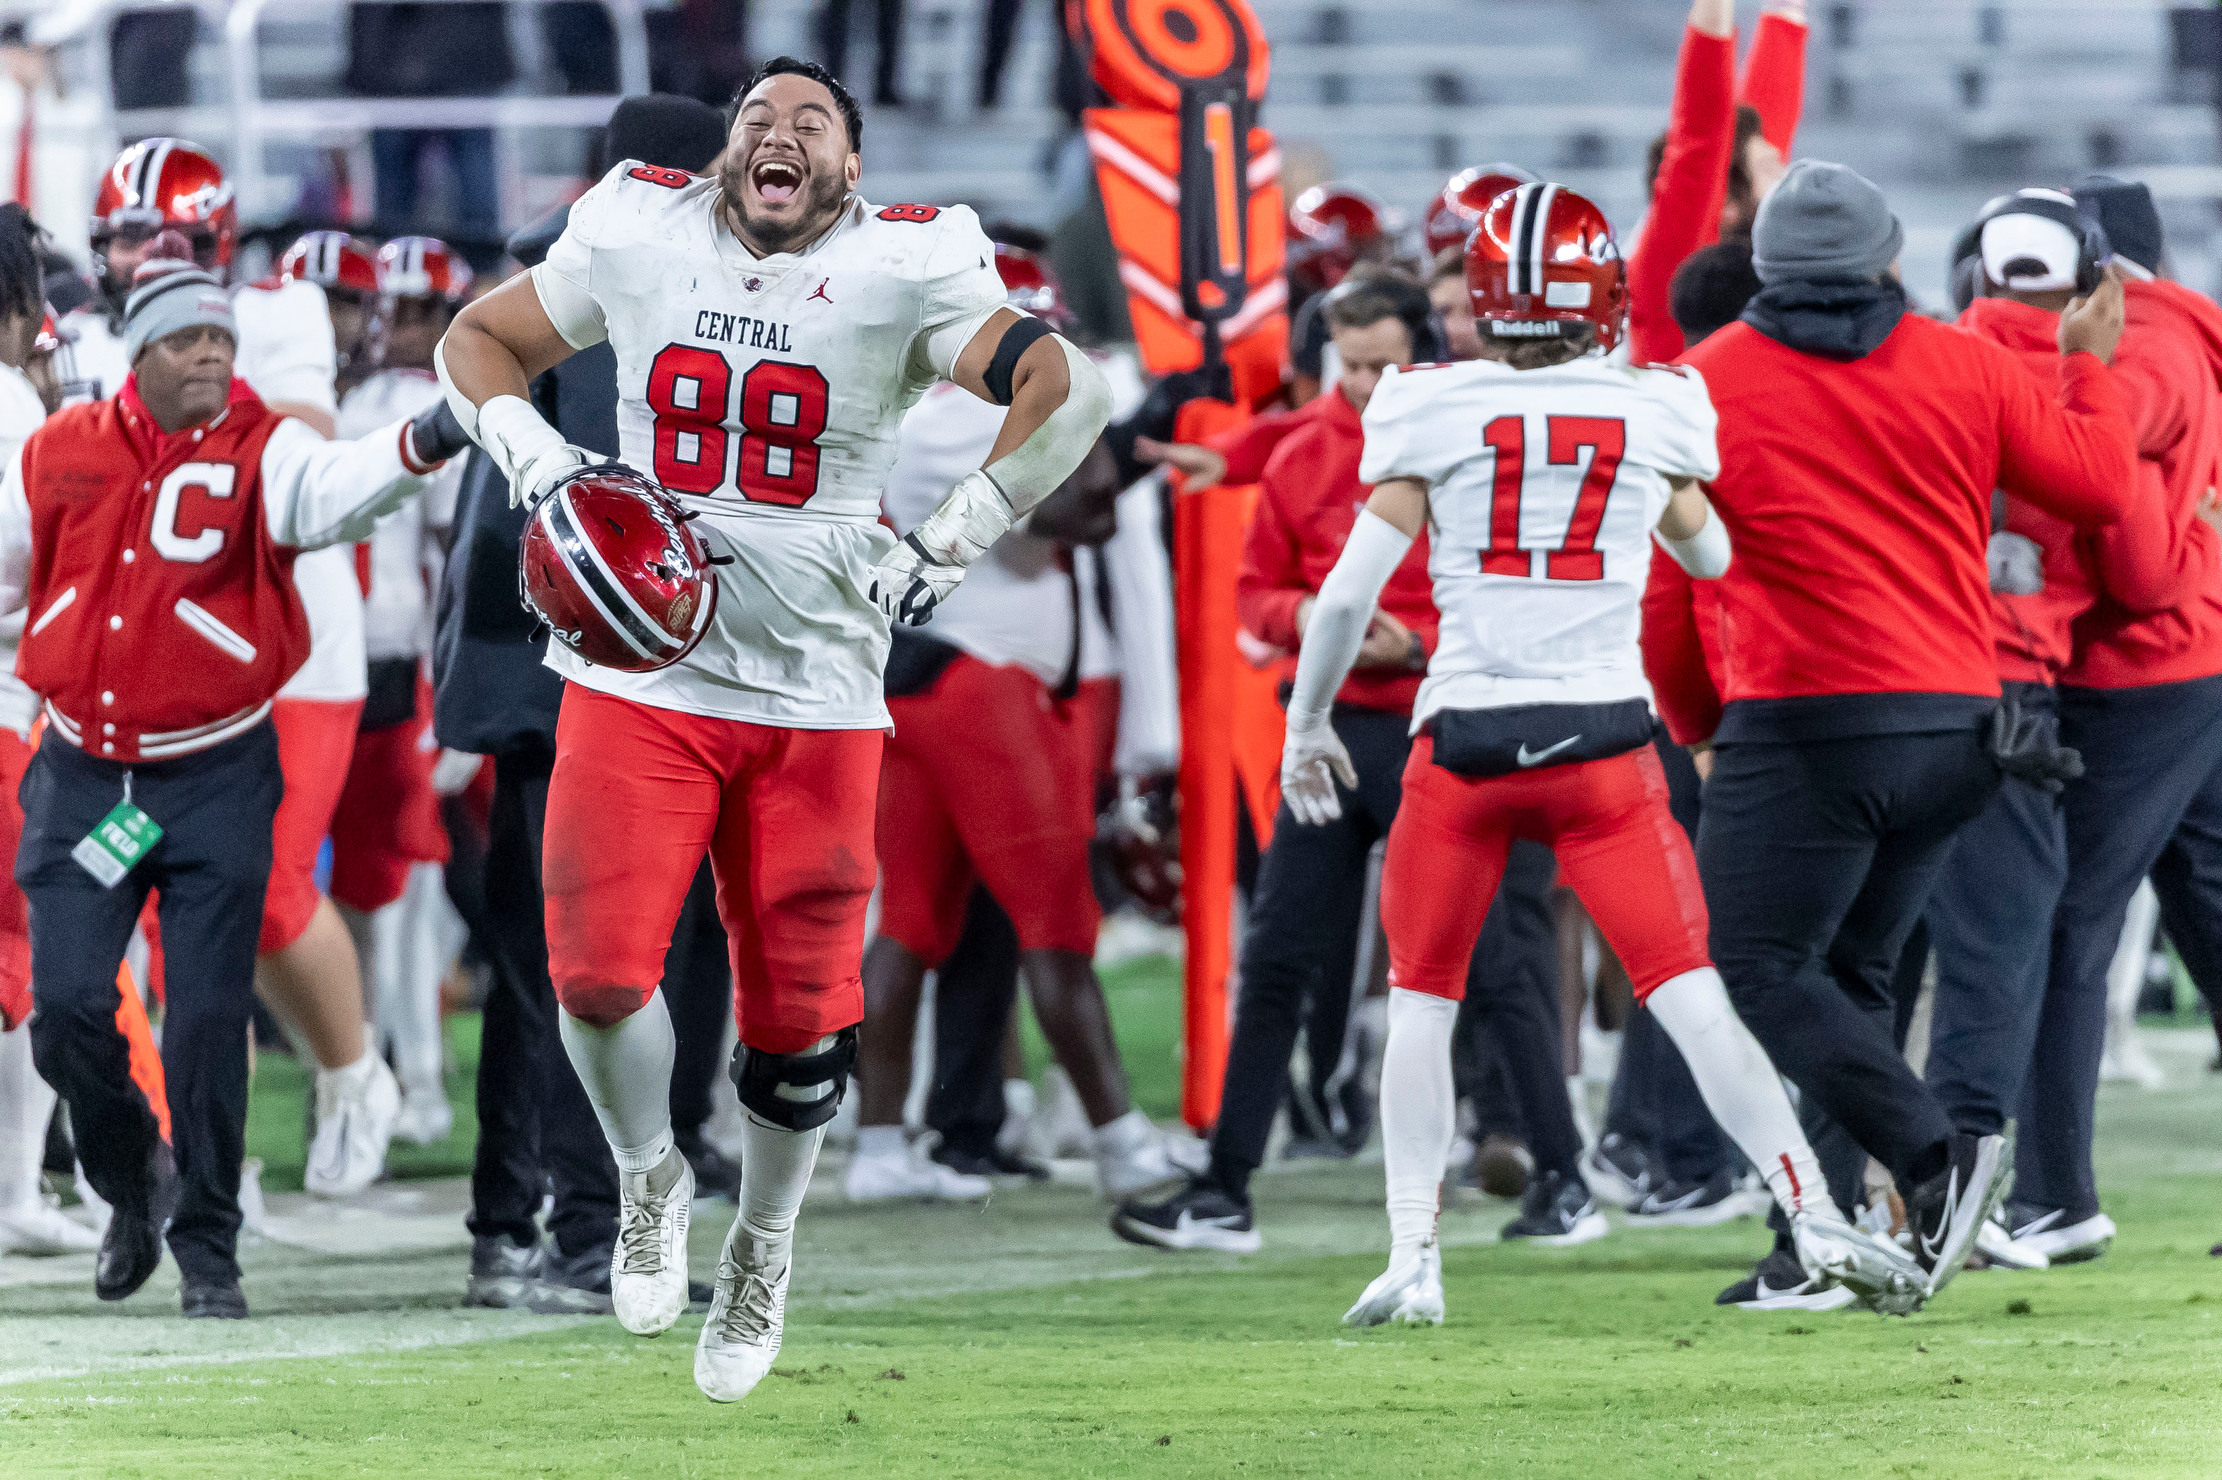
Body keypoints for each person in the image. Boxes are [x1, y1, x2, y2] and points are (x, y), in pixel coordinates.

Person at [436, 57, 1112, 1403]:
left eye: (813, 122)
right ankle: (646, 1178)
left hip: (814, 690)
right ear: (723, 154)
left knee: (798, 1020)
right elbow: (477, 342)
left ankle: (762, 1244)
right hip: (643, 674)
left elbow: (1068, 388)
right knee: (595, 978)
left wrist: (955, 534)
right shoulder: (643, 228)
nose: (780, 132)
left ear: (852, 168)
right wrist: (542, 460)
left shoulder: (905, 262)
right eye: (758, 117)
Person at [1278, 181, 1920, 1326]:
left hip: (1462, 745)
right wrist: (1659, 500)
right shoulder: (1654, 406)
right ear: (1601, 298)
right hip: (1603, 748)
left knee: (1421, 1001)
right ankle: (1814, 1212)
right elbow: (1712, 559)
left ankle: (1412, 1255)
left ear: (1484, 301)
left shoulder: (1428, 405)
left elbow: (1339, 600)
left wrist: (1305, 722)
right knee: (1690, 995)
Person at [1645, 159, 2137, 1308]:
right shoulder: (1967, 361)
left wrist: (1696, 726)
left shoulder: (1696, 385)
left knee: (1751, 965)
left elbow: (1668, 596)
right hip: (1957, 726)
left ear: (1761, 265)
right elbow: (2099, 487)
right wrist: (2085, 364)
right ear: (1890, 261)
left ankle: (1933, 1159)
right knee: (1847, 977)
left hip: (1803, 722)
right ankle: (1824, 1240)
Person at [4, 241, 456, 1317]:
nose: (211, 354)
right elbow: (15, 570)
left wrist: (437, 431)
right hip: (85, 768)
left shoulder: (268, 446)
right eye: (188, 339)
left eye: (221, 336)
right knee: (66, 1009)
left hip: (214, 770)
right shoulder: (63, 444)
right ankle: (132, 1177)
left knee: (207, 1018)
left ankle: (210, 1248)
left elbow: (339, 488)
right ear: (140, 351)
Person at [1114, 273, 1584, 1251]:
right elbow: (1256, 592)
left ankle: (1564, 1176)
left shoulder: (1474, 448)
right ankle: (1226, 1188)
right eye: (1353, 366)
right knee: (1279, 956)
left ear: (1423, 356)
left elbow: (1518, 591)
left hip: (1443, 728)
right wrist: (1314, 622)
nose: (1366, 385)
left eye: (1382, 366)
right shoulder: (1310, 452)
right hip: (1332, 730)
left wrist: (1411, 643)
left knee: (1495, 959)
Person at [432, 93, 730, 1315]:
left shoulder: (543, 280)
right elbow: (614, 529)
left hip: (514, 674)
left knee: (536, 966)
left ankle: (507, 1224)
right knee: (610, 968)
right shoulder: (625, 296)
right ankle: (587, 1233)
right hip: (592, 679)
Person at [67, 138, 402, 1200]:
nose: (142, 258)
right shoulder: (85, 338)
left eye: (161, 237)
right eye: (125, 239)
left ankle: (352, 1075)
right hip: (157, 663)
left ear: (213, 241)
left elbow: (288, 449)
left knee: (263, 889)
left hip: (293, 648)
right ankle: (210, 1162)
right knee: (178, 909)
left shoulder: (275, 313)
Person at [859, 242, 1186, 1202]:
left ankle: (878, 1147)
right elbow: (1079, 516)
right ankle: (1120, 1138)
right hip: (982, 689)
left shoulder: (916, 415)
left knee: (910, 924)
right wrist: (1113, 422)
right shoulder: (962, 422)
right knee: (1057, 919)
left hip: (922, 681)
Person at [2001, 183, 2222, 1265]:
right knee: (2206, 916)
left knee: (2062, 925)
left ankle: (2055, 1195)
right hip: (2190, 660)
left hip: (2136, 671)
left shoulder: (2141, 348)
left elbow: (2126, 541)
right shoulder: (2184, 335)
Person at [329, 236, 475, 1149]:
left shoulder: (415, 405)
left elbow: (449, 563)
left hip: (398, 672)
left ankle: (409, 1075)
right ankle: (378, 1076)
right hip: (350, 671)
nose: (402, 326)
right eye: (394, 307)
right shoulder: (346, 401)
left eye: (424, 310)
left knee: (409, 892)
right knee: (374, 893)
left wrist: (449, 690)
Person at [0, 205, 101, 1260]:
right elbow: (34, 571)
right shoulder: (17, 410)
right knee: (22, 952)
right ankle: (16, 1191)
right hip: (9, 717)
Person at [1625, 0, 1805, 366]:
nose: (1789, 181)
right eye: (1771, 170)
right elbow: (1702, 130)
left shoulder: (1740, 248)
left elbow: (1767, 115)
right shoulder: (1670, 266)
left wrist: (1785, 12)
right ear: (1725, 204)